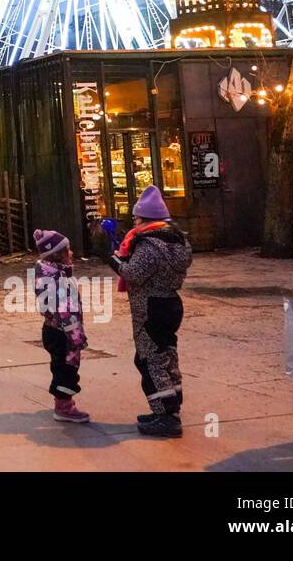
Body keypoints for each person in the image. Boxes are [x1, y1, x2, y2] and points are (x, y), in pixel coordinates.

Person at [107, 185, 191, 438]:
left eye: (136, 217)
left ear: (145, 218)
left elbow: (134, 273)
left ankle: (165, 416)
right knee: (166, 355)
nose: (134, 221)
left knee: (149, 358)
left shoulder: (150, 245)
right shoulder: (177, 240)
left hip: (150, 306)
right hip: (170, 303)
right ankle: (170, 407)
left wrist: (115, 261)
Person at [32, 229, 90, 423]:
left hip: (54, 329)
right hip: (62, 332)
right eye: (68, 250)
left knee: (61, 366)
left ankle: (64, 403)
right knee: (66, 369)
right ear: (59, 255)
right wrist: (76, 336)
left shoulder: (51, 274)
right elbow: (65, 311)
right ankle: (63, 407)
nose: (71, 253)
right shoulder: (56, 280)